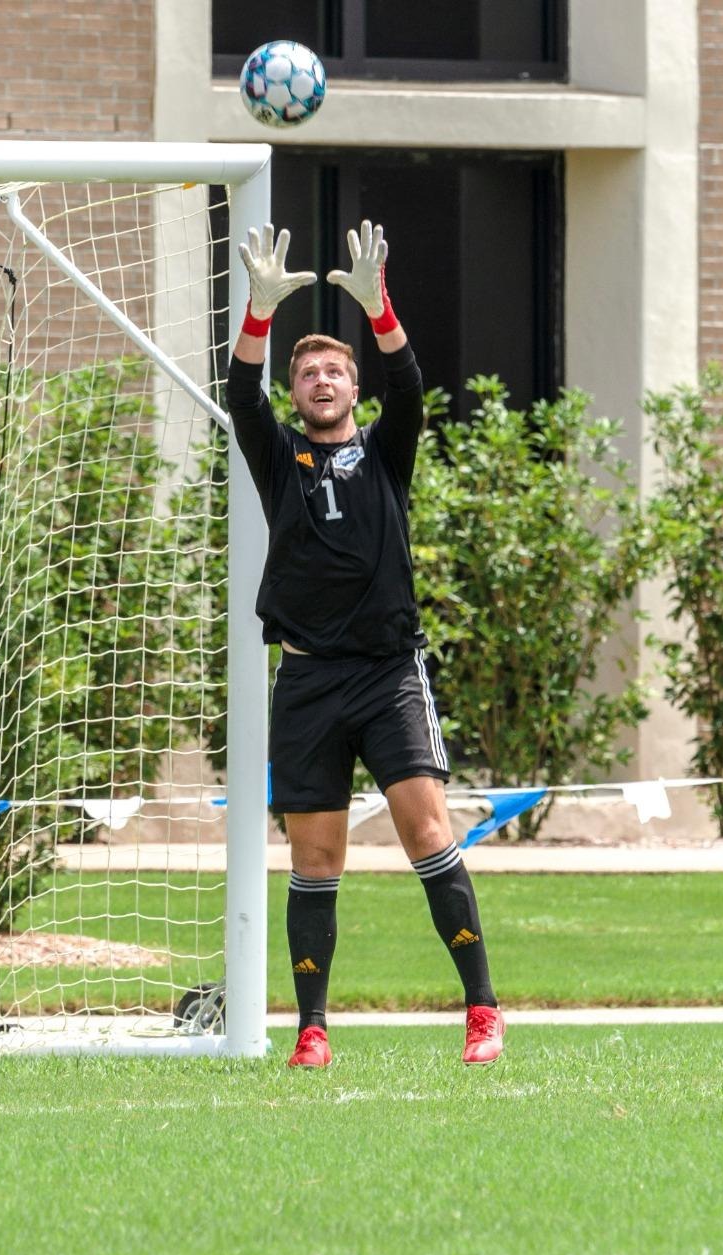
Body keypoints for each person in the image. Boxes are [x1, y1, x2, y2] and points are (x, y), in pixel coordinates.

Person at [226, 221, 503, 1070]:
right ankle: (312, 1030)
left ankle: (483, 1011)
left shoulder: (387, 453)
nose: (319, 380)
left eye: (333, 371)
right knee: (315, 858)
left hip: (388, 676)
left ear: (352, 389)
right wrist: (260, 315)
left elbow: (411, 384)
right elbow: (242, 398)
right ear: (298, 391)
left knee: (427, 830)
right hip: (307, 683)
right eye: (307, 372)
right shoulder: (280, 462)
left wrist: (378, 310)